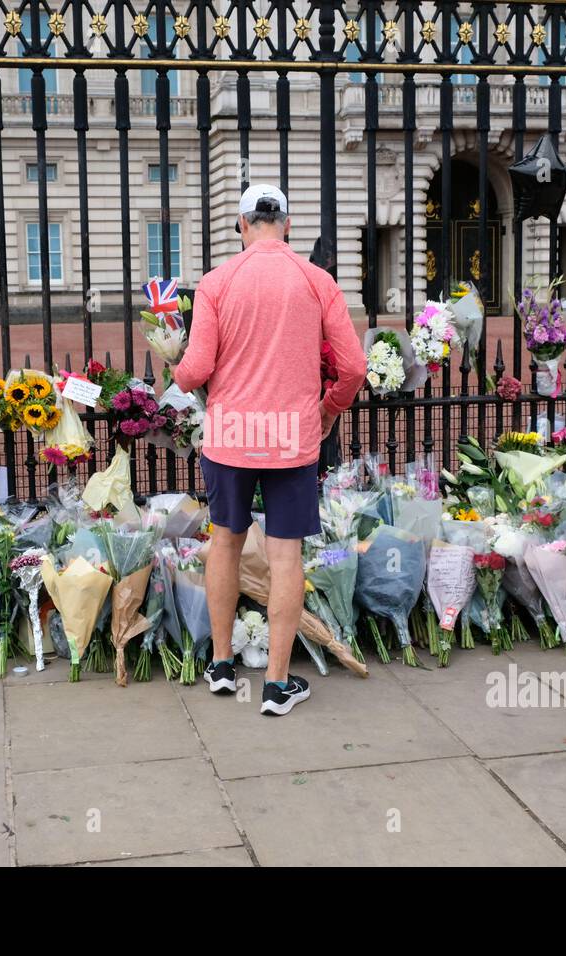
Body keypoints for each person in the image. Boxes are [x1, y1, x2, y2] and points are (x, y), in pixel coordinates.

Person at [173, 184, 366, 716]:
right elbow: (352, 368)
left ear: (241, 224)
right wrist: (328, 408)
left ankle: (220, 664)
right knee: (286, 557)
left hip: (231, 436)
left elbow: (194, 370)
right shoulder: (316, 280)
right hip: (291, 437)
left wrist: (174, 367)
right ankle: (277, 685)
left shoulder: (217, 282)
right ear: (288, 223)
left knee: (226, 544)